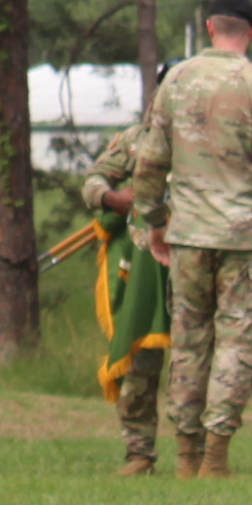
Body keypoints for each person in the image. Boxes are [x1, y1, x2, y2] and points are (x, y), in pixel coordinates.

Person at [131, 0, 252, 478]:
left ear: (210, 28)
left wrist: (155, 223)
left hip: (188, 235)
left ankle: (186, 455)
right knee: (237, 344)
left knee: (189, 344)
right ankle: (215, 455)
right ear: (251, 32)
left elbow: (149, 161)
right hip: (246, 240)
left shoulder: (177, 81)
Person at [78, 91, 166, 479]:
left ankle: (200, 452)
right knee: (139, 361)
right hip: (146, 263)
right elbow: (94, 180)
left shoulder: (212, 141)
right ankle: (139, 452)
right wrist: (114, 198)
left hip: (201, 260)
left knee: (196, 363)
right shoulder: (135, 138)